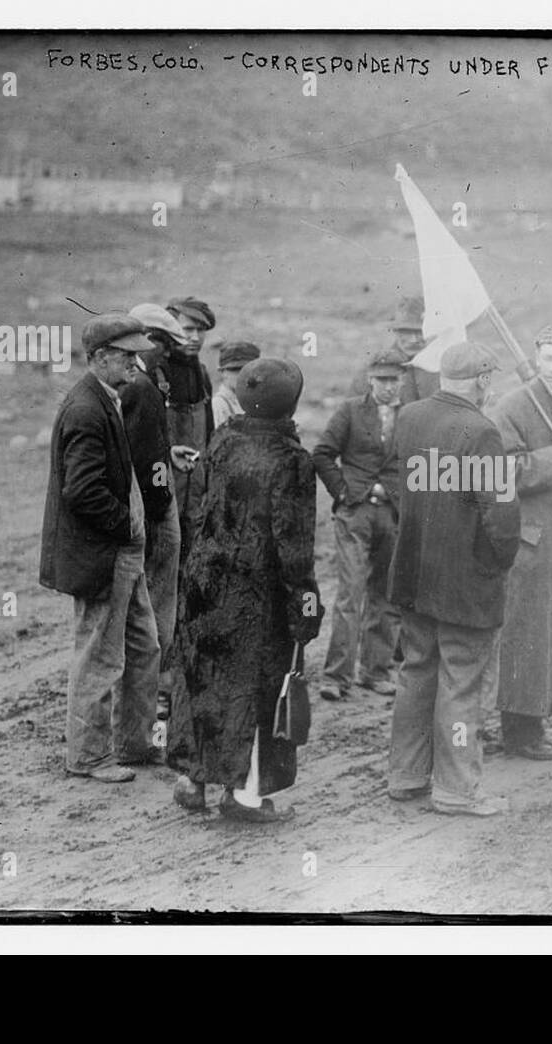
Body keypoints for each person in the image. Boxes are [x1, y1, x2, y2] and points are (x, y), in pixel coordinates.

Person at [167, 358, 324, 822]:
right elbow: (294, 549)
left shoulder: (222, 440)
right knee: (254, 691)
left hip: (203, 580)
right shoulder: (292, 461)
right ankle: (244, 797)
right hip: (257, 595)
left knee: (200, 677)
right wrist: (307, 608)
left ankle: (192, 779)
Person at [386, 341, 521, 816]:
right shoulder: (482, 431)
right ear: (482, 381)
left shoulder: (410, 416)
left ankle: (405, 775)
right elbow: (502, 519)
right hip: (465, 581)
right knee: (461, 682)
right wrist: (495, 565)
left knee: (417, 672)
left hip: (415, 574)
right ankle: (457, 789)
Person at [38, 313, 162, 782]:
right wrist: (126, 526)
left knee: (144, 645)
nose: (135, 362)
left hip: (120, 555)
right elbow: (82, 490)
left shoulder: (106, 398)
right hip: (105, 556)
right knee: (99, 656)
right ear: (98, 359)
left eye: (136, 353)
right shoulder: (87, 409)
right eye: (126, 355)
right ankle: (87, 756)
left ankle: (133, 744)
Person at [488, 324, 552, 760]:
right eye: (546, 358)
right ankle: (519, 732)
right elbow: (500, 474)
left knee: (550, 636)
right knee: (526, 637)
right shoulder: (513, 406)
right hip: (527, 545)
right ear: (535, 356)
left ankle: (535, 723)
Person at [313, 348, 407, 702]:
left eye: (394, 379)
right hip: (355, 513)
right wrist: (343, 492)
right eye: (382, 379)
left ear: (402, 380)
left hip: (392, 516)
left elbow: (420, 463)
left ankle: (375, 671)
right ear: (370, 379)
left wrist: (400, 497)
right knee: (350, 594)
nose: (388, 387)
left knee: (385, 594)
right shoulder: (351, 410)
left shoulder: (410, 417)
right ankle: (336, 677)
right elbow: (322, 453)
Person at [123, 303, 202, 726]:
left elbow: (150, 449)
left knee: (160, 612)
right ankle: (147, 703)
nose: (167, 352)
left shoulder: (153, 381)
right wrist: (156, 513)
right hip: (150, 514)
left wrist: (167, 456)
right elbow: (135, 456)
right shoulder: (140, 387)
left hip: (158, 505)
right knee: (151, 615)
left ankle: (156, 697)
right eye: (163, 343)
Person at [155, 296, 216, 560]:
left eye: (200, 330)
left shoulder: (201, 375)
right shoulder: (157, 372)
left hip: (196, 491)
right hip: (164, 488)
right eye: (187, 329)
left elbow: (211, 434)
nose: (194, 337)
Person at [348, 295, 439, 403]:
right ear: (396, 331)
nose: (413, 340)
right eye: (406, 332)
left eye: (420, 332)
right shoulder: (373, 369)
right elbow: (353, 412)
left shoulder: (442, 367)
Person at [211, 339, 261, 426]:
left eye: (246, 369)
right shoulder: (220, 404)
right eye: (234, 369)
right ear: (222, 372)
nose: (241, 375)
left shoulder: (256, 399)